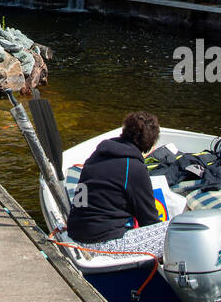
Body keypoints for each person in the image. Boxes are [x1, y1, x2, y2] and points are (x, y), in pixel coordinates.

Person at [66, 110, 169, 259]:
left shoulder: (97, 155)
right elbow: (149, 220)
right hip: (102, 245)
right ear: (150, 141)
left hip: (76, 235)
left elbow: (84, 198)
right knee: (173, 229)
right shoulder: (133, 168)